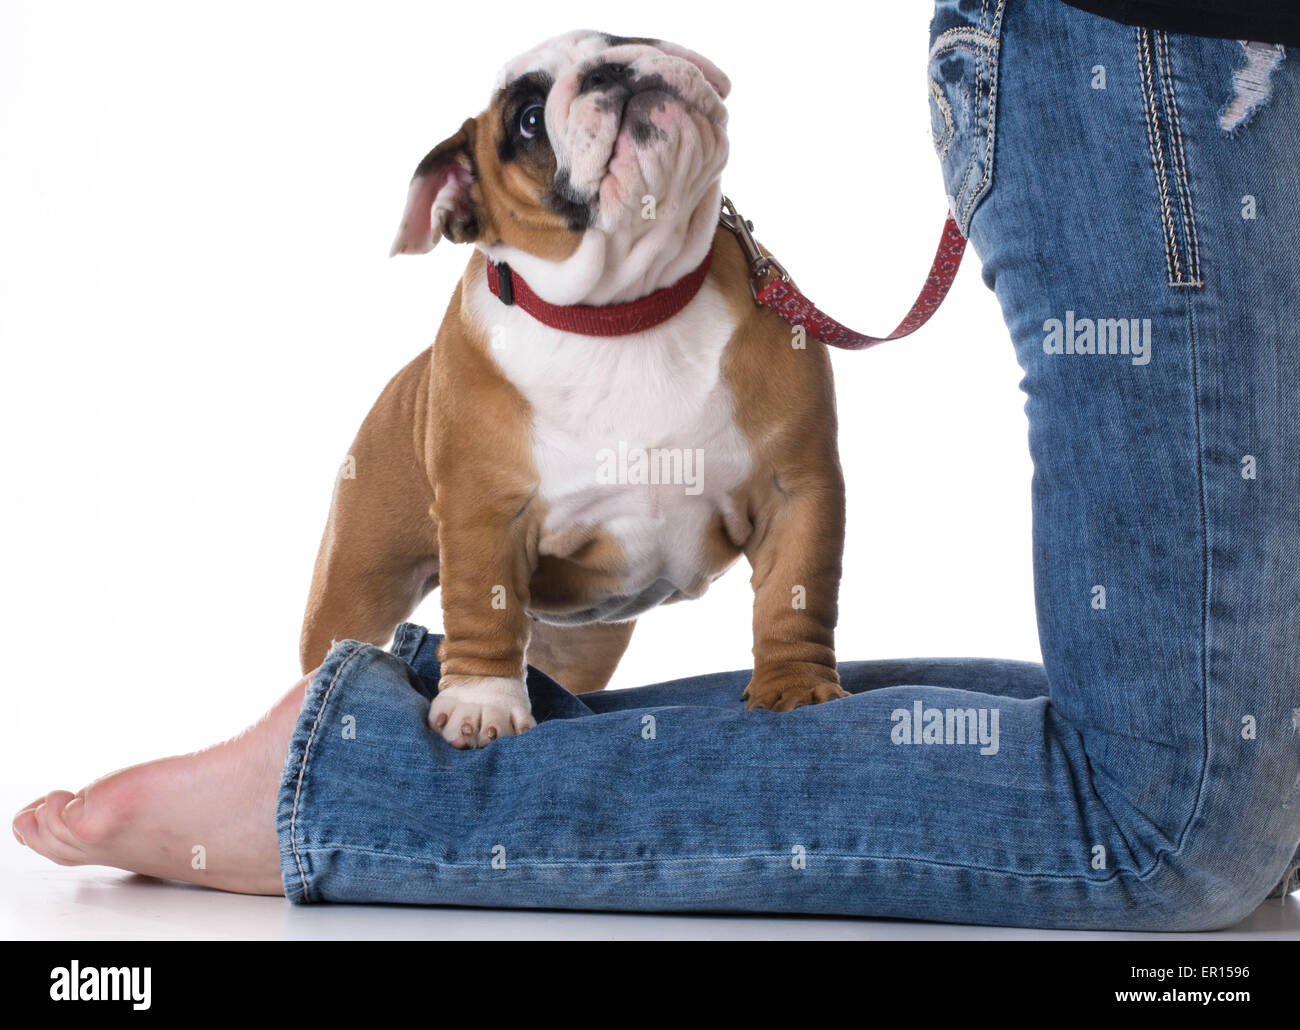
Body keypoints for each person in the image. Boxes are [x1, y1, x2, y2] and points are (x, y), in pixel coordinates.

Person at [13, 0, 1300, 929]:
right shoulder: (476, 363)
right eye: (541, 111)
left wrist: (792, 659)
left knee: (1203, 769)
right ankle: (345, 769)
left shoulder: (745, 310)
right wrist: (475, 662)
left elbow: (801, 488)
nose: (608, 81)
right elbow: (470, 505)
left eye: (619, 53)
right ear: (463, 211)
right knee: (1178, 820)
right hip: (1161, 53)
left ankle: (457, 751)